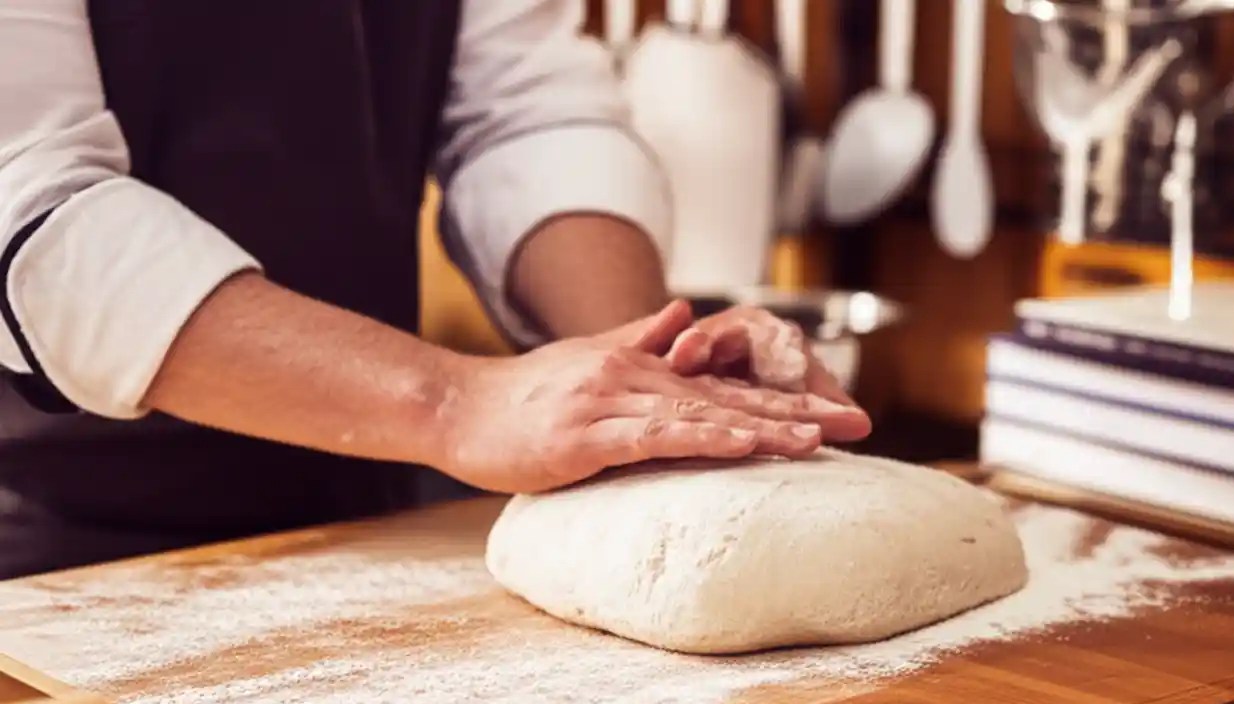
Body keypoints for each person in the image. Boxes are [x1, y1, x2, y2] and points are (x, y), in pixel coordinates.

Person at [0, 0, 870, 579]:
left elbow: (526, 114)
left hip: (361, 513)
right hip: (50, 553)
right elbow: (29, 197)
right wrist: (457, 404)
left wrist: (649, 375)